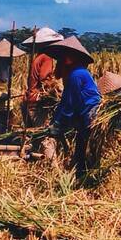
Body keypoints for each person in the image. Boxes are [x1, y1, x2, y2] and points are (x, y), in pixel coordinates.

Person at [48, 36, 101, 180]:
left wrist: (58, 123)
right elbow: (66, 100)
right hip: (85, 113)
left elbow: (69, 102)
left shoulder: (77, 74)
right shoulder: (77, 73)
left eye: (66, 56)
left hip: (90, 114)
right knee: (81, 146)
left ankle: (82, 175)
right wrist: (55, 120)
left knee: (83, 146)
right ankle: (81, 174)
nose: (63, 59)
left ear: (73, 58)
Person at [19, 27, 63, 127]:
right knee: (42, 132)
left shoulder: (39, 56)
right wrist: (56, 90)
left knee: (32, 133)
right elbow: (45, 79)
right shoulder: (47, 57)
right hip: (37, 101)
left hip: (30, 97)